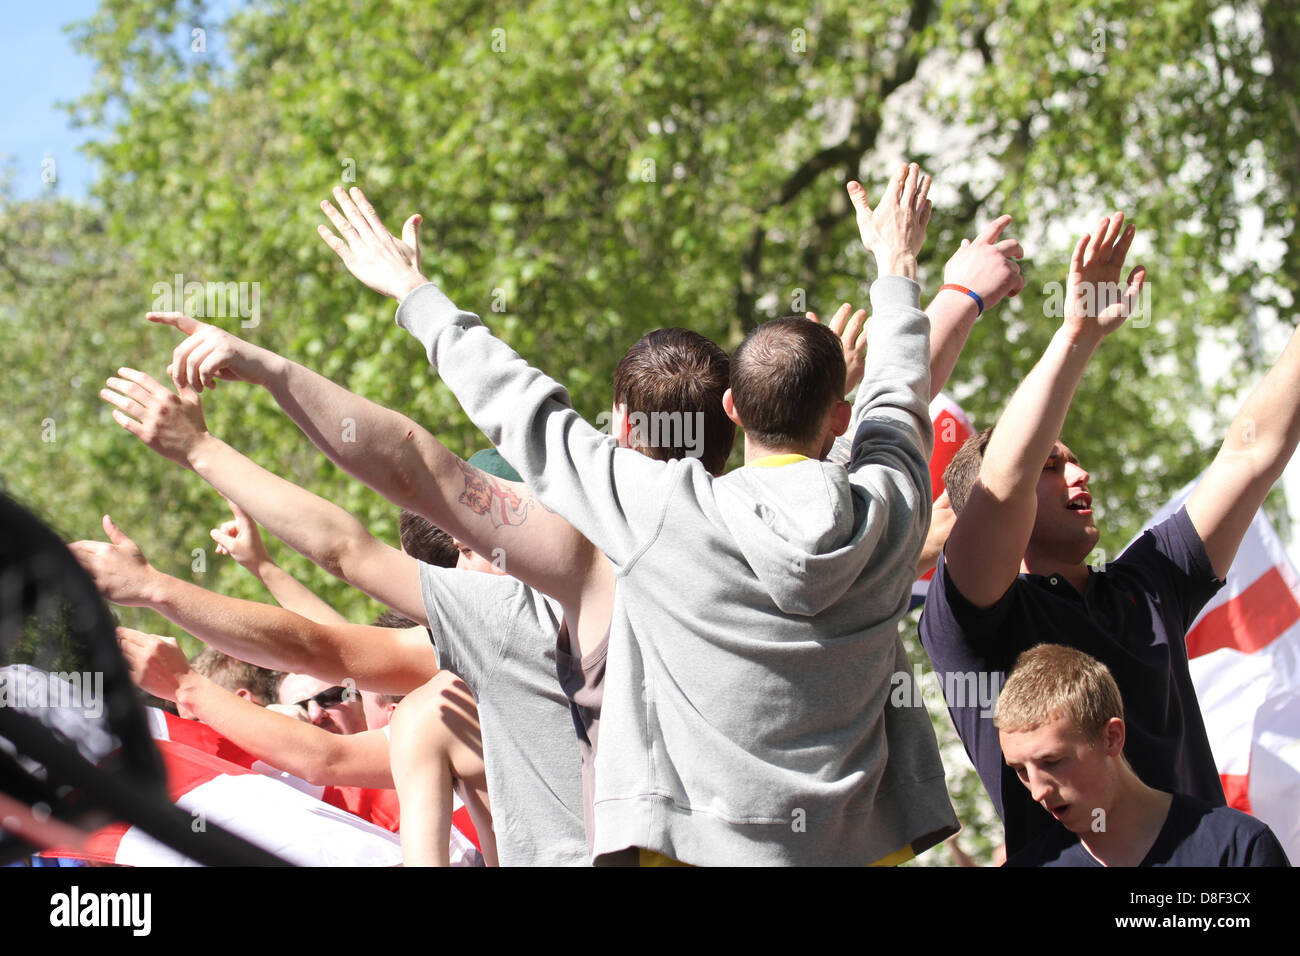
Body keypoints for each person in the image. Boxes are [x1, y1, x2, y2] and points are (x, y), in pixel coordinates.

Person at [271, 163, 957, 865]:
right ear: (838, 417)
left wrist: (413, 291)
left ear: (733, 408)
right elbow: (899, 400)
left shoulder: (660, 513)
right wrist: (898, 267)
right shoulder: (890, 506)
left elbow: (517, 409)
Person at [921, 210, 1300, 854]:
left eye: (1073, 460)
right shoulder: (972, 622)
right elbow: (1004, 482)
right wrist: (1077, 335)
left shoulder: (1147, 583)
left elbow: (1252, 452)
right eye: (1052, 465)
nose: (1080, 473)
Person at [996, 644, 1290, 866]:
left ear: (1111, 737)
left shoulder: (1236, 847)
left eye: (1051, 762)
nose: (1038, 791)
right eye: (1021, 770)